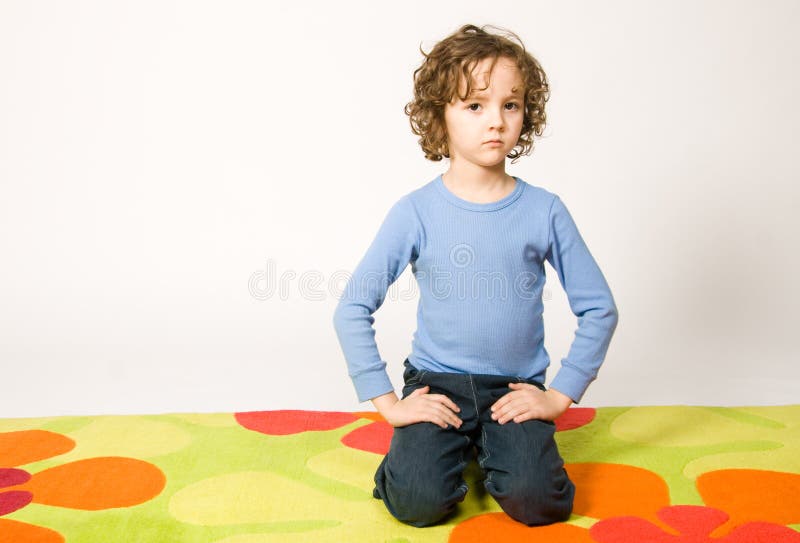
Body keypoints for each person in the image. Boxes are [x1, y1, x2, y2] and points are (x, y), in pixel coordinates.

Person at [332, 23, 619, 528]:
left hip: (513, 389)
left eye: (510, 104)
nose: (496, 122)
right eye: (475, 105)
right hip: (436, 387)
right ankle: (415, 458)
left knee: (542, 505)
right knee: (417, 503)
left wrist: (557, 396)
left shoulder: (544, 211)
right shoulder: (416, 212)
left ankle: (498, 450)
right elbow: (353, 306)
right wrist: (390, 406)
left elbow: (599, 307)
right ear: (440, 117)